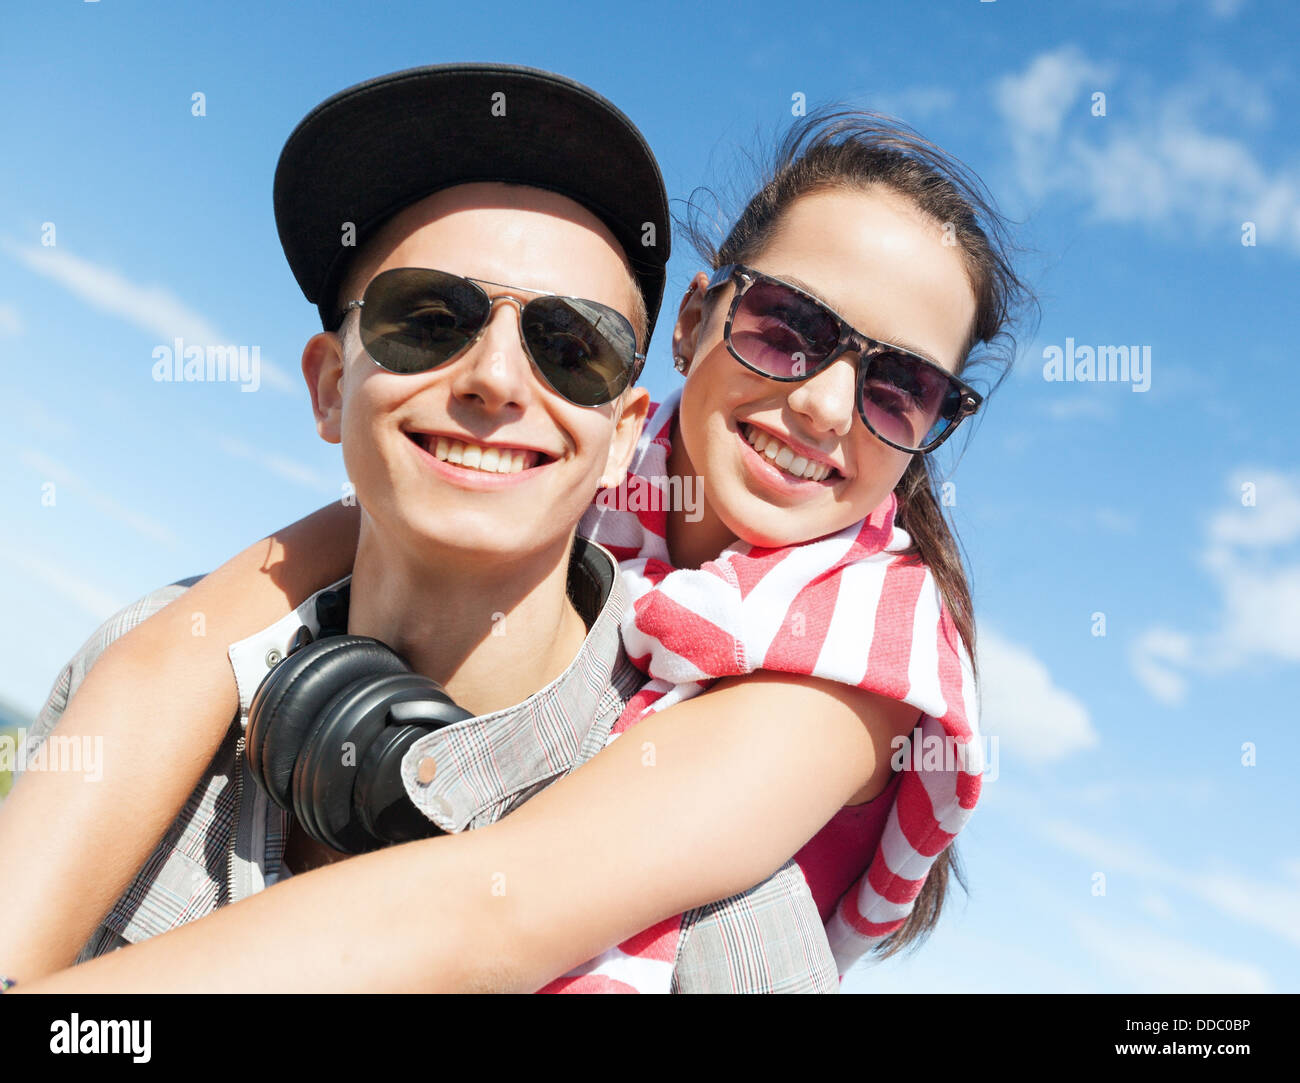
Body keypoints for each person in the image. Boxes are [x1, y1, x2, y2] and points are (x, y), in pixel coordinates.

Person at [4, 82, 1035, 994]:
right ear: (692, 324)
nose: (822, 403)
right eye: (784, 327)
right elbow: (196, 635)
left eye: (901, 387)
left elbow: (490, 914)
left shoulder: (873, 640)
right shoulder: (586, 455)